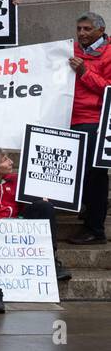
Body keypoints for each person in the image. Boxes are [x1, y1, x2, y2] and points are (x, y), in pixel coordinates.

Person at [0, 147, 71, 313]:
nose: (11, 162)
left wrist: (42, 197)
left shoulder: (15, 180)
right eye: (5, 159)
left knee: (44, 206)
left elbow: (32, 199)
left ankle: (51, 261)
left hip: (16, 229)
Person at [66, 12, 111, 245]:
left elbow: (109, 90)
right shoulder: (69, 50)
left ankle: (95, 228)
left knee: (95, 174)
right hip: (69, 118)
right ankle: (90, 207)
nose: (81, 33)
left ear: (100, 31)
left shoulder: (109, 53)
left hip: (96, 121)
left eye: (87, 29)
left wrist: (85, 73)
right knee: (76, 171)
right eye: (79, 29)